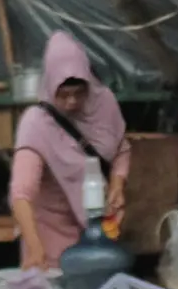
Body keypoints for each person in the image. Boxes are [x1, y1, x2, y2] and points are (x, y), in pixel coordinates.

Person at [11, 33, 129, 271]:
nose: (72, 102)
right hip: (51, 240)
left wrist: (117, 185)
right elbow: (21, 193)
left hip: (99, 234)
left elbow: (121, 149)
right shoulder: (36, 123)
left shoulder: (103, 104)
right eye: (63, 95)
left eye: (79, 92)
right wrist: (35, 248)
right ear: (49, 86)